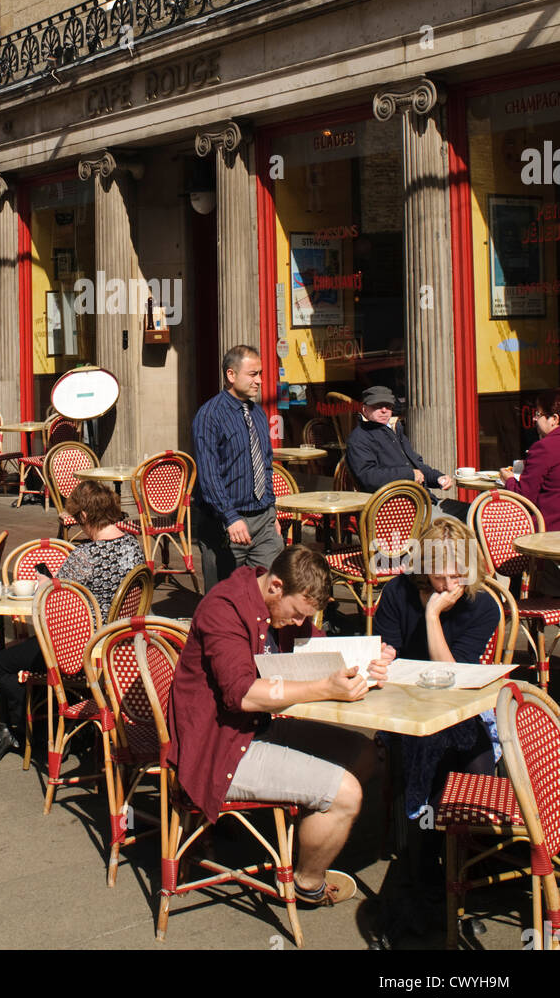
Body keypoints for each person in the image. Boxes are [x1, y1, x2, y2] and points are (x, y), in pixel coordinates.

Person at [167, 544, 391, 905]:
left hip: (258, 728)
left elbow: (316, 651)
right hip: (220, 748)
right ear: (275, 587)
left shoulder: (279, 606)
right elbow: (240, 695)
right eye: (298, 613)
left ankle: (307, 828)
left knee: (365, 754)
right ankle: (306, 883)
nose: (300, 623)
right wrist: (323, 688)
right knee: (346, 794)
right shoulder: (224, 608)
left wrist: (371, 657)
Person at [0, 480, 144, 766]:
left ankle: (28, 731)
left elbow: (54, 608)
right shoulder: (134, 547)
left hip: (80, 649)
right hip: (122, 645)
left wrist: (45, 586)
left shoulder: (84, 556)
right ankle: (44, 723)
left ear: (83, 517)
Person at [373, 517, 500, 822]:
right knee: (428, 760)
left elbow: (452, 677)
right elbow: (381, 653)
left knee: (477, 766)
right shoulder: (397, 593)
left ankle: (467, 848)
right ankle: (425, 849)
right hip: (406, 705)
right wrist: (379, 656)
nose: (450, 586)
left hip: (460, 706)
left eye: (458, 575)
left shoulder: (481, 605)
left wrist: (432, 616)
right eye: (440, 577)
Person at [192, 344, 284, 592]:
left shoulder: (258, 414)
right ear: (231, 375)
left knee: (269, 592)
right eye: (253, 374)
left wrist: (271, 509)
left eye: (261, 374)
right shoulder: (210, 415)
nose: (260, 381)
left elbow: (265, 464)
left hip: (263, 520)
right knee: (226, 601)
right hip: (225, 524)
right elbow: (209, 474)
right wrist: (231, 517)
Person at [346, 385, 468, 519]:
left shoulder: (395, 430)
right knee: (454, 525)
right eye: (377, 406)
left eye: (388, 406)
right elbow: (368, 477)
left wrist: (438, 478)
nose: (384, 410)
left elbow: (417, 465)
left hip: (425, 500)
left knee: (476, 513)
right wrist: (408, 474)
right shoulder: (359, 438)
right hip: (398, 509)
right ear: (365, 410)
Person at [500, 389, 560, 532]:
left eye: (538, 414)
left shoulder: (544, 447)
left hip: (546, 531)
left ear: (554, 419)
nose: (534, 419)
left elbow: (524, 497)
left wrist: (508, 480)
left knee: (482, 523)